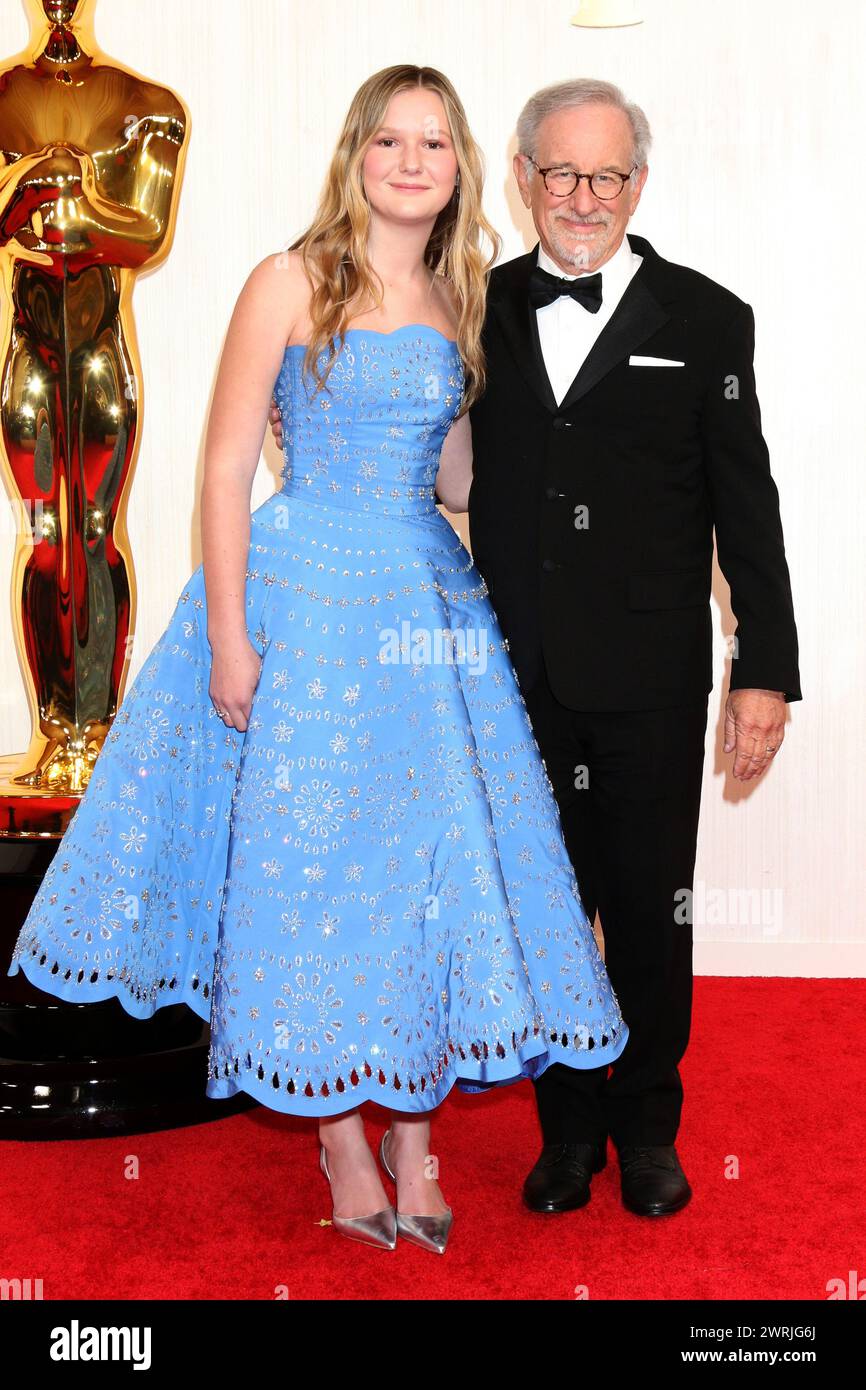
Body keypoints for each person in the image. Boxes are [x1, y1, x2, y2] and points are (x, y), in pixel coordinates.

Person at [7, 65, 630, 1256]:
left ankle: (413, 1129)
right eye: (388, 139)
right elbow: (225, 468)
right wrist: (231, 636)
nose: (410, 160)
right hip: (299, 598)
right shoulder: (288, 280)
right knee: (310, 868)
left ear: (460, 170)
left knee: (421, 867)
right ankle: (341, 1133)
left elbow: (452, 477)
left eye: (433, 143)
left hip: (422, 605)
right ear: (355, 155)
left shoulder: (462, 302)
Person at [271, 76, 803, 1222]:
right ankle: (566, 1135)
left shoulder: (708, 319)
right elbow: (415, 442)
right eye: (557, 171)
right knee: (535, 912)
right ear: (518, 175)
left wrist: (763, 663)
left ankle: (646, 1128)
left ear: (636, 185)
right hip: (501, 677)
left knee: (650, 911)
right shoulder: (473, 304)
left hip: (653, 677)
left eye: (605, 174)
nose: (580, 196)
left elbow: (743, 503)